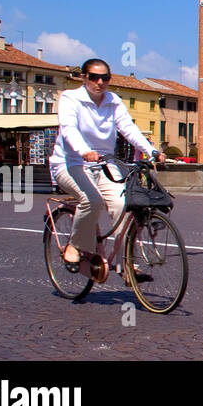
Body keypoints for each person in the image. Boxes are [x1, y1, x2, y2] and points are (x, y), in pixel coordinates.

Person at [49, 59, 162, 267]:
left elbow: (128, 128)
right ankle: (76, 245)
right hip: (71, 162)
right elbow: (68, 128)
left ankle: (125, 263)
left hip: (104, 164)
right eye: (93, 77)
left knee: (123, 204)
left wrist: (151, 151)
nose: (99, 82)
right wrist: (84, 151)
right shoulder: (70, 98)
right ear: (84, 78)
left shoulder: (114, 100)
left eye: (105, 78)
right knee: (92, 200)